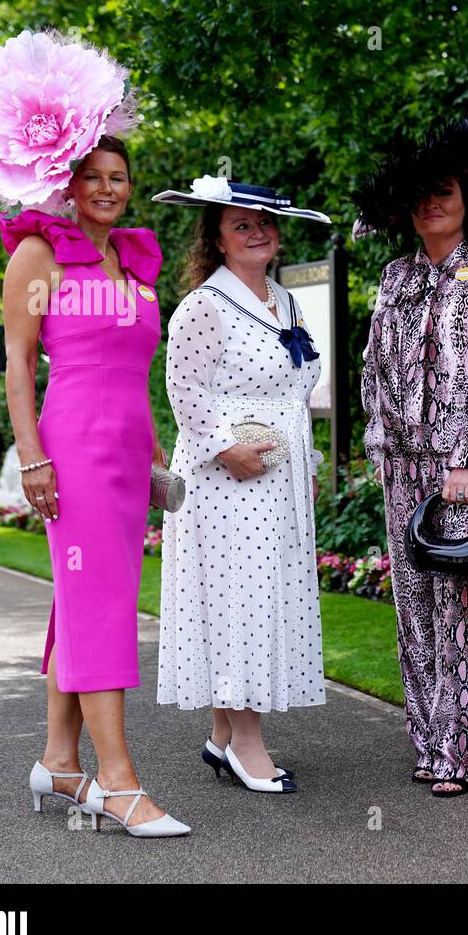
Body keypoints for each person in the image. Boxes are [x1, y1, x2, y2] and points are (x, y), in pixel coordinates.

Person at [0, 30, 188, 836]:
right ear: (67, 181)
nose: (111, 188)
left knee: (86, 600)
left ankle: (59, 761)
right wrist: (32, 456)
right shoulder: (37, 256)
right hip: (72, 447)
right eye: (95, 176)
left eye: (121, 177)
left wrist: (152, 433)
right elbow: (20, 367)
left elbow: (132, 362)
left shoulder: (134, 259)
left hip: (125, 445)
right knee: (103, 606)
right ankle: (119, 782)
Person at [356, 110, 468, 796]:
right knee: (412, 602)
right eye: (423, 193)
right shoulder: (395, 277)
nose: (434, 202)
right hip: (401, 460)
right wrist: (378, 444)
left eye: (446, 191)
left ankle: (465, 751)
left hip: (463, 465)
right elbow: (372, 366)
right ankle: (429, 743)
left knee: (457, 602)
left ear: (466, 201)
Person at [152, 177, 332, 793]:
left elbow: (296, 390)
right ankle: (248, 741)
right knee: (242, 603)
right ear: (220, 240)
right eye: (241, 225)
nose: (257, 232)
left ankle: (223, 735)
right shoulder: (205, 305)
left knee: (262, 598)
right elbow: (184, 388)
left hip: (279, 477)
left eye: (264, 223)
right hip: (226, 482)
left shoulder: (285, 300)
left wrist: (304, 468)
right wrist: (225, 449)